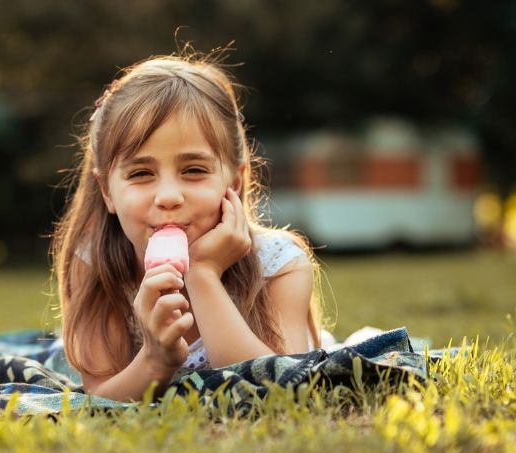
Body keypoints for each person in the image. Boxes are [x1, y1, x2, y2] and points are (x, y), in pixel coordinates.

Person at [51, 52, 324, 402]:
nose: (168, 196)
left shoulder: (280, 264)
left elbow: (279, 392)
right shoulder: (95, 264)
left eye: (194, 170)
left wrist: (203, 274)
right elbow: (100, 398)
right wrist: (155, 359)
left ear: (235, 181)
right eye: (140, 174)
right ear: (107, 192)